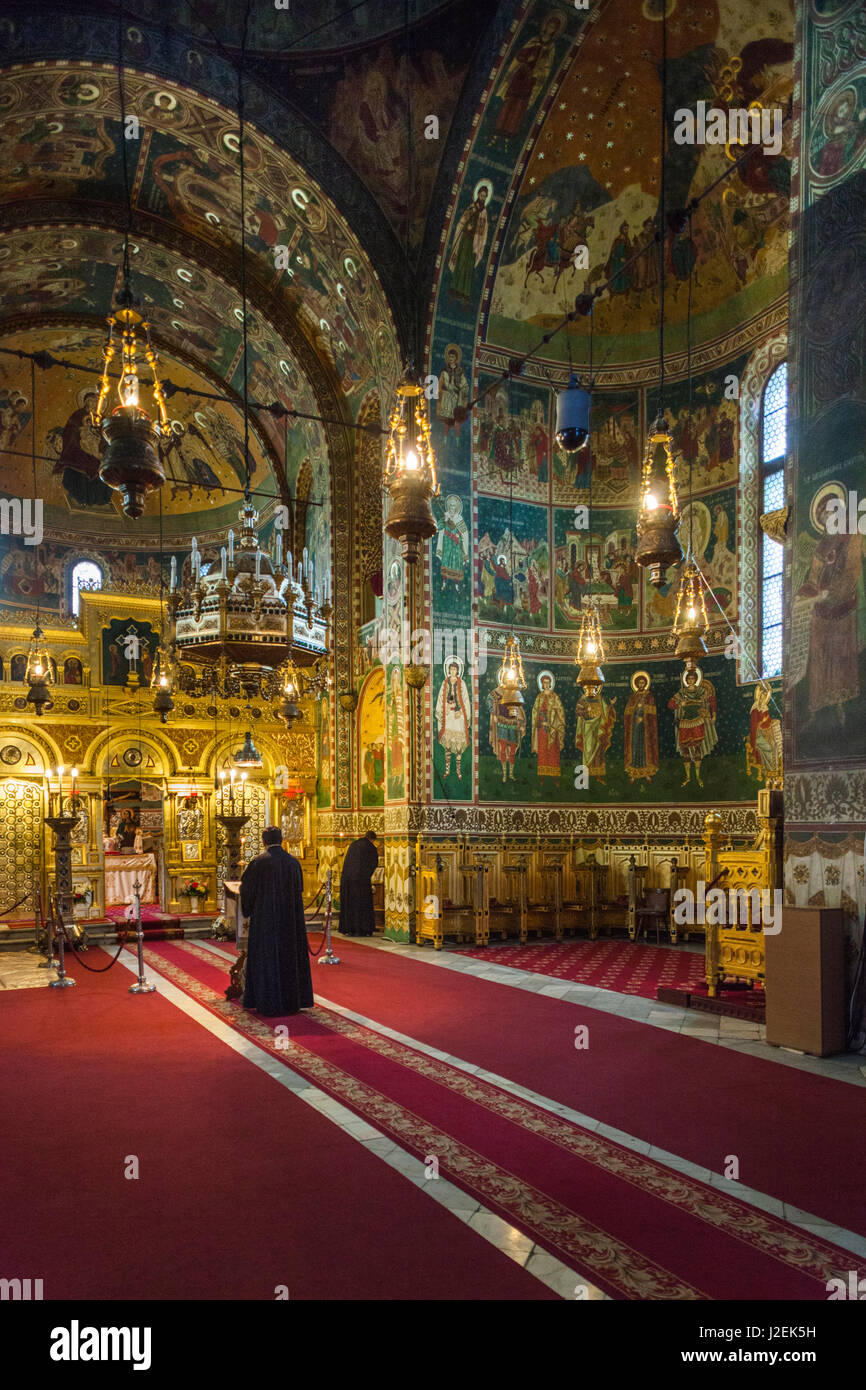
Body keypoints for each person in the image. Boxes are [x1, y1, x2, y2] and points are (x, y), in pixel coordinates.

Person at [240, 826, 313, 1016]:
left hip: (266, 921)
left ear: (264, 841)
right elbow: (300, 889)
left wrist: (248, 910)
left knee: (267, 959)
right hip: (290, 921)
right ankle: (292, 1001)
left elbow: (246, 891)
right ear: (282, 840)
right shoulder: (293, 863)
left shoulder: (258, 863)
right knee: (289, 958)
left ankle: (267, 1001)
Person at [338, 830, 379, 937]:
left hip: (347, 880)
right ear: (372, 839)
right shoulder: (370, 847)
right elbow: (374, 863)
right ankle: (362, 929)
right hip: (361, 882)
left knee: (350, 904)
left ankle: (349, 928)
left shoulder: (353, 844)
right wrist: (367, 875)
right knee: (362, 905)